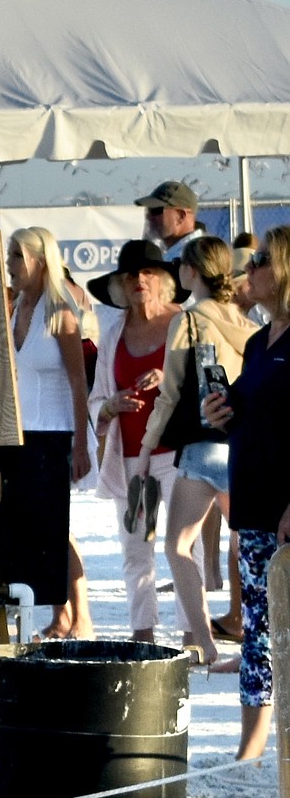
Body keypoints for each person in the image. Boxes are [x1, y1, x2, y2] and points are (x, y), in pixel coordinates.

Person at [130, 237, 256, 668]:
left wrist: (148, 446)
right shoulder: (249, 324)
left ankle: (204, 642)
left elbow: (169, 394)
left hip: (202, 450)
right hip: (243, 449)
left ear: (191, 272)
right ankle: (257, 643)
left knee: (177, 546)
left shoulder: (187, 321)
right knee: (248, 547)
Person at [206, 224, 290, 760]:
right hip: (253, 502)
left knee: (275, 628)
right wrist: (217, 414)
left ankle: (259, 749)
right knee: (258, 627)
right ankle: (252, 749)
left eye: (259, 260)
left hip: (283, 507)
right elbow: (244, 413)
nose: (248, 269)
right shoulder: (260, 340)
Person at [87, 241, 184, 644]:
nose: (140, 281)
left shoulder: (184, 324)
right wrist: (110, 405)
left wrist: (170, 379)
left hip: (177, 453)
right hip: (129, 456)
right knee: (135, 551)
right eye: (131, 276)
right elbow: (96, 399)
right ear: (121, 287)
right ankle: (142, 634)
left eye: (148, 273)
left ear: (163, 280)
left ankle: (191, 632)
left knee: (183, 549)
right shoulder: (113, 334)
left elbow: (209, 380)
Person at [4, 227, 95, 637]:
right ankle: (62, 615)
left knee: (55, 528)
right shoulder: (17, 306)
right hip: (23, 435)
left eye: (16, 256)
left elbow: (79, 382)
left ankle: (77, 617)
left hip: (57, 432)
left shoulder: (60, 310)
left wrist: (79, 445)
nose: (9, 264)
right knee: (39, 528)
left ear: (40, 261)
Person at [137, 180, 206, 257]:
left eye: (155, 210)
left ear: (180, 216)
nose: (149, 217)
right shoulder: (176, 254)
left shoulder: (194, 258)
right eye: (147, 211)